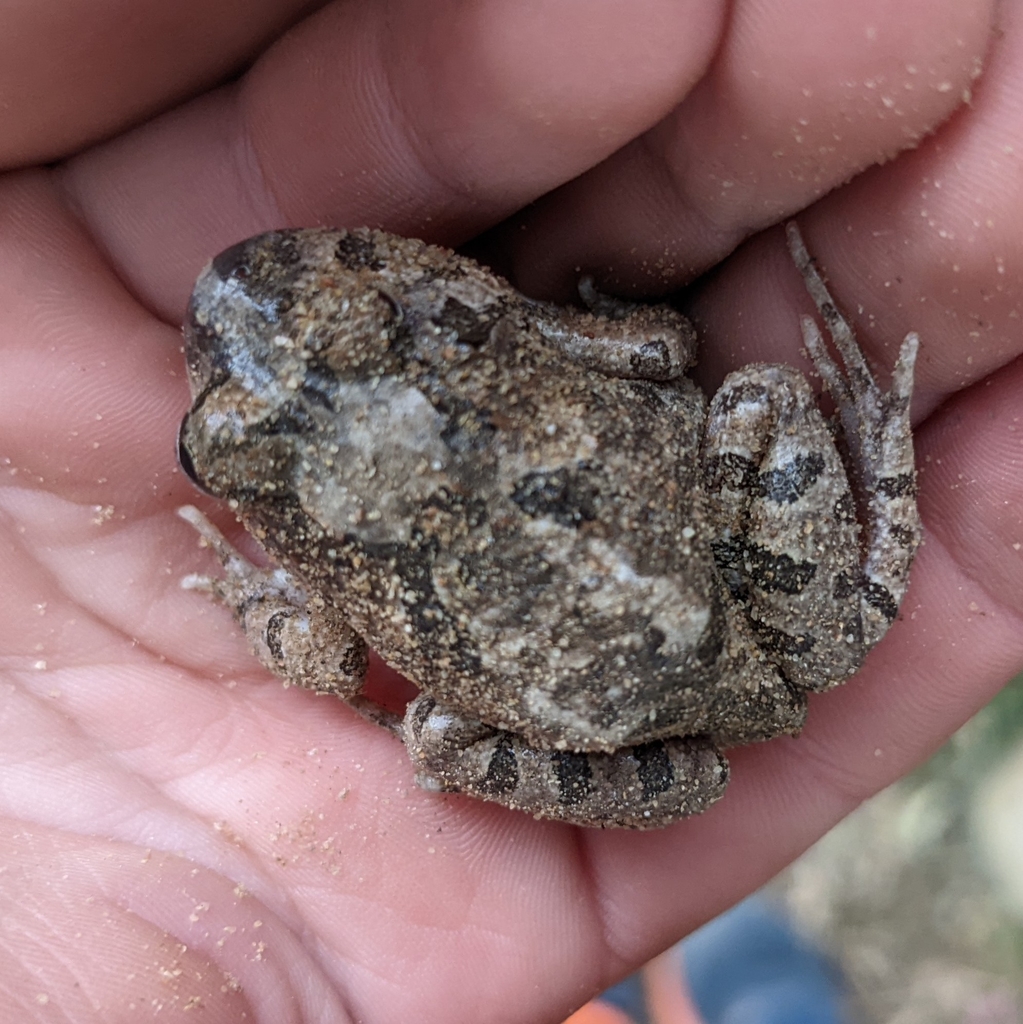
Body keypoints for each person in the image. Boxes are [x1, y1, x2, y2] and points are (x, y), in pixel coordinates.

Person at [0, 1, 1015, 1021]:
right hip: (698, 635)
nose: (226, 306)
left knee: (441, 737)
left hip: (653, 715)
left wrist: (250, 593)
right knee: (756, 403)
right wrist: (559, 331)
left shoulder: (331, 546)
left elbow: (327, 661)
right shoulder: (495, 345)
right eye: (221, 444)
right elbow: (662, 347)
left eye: (359, 321)